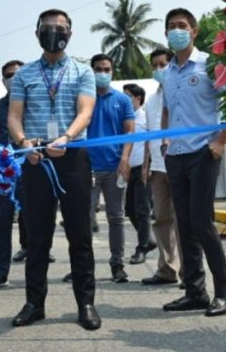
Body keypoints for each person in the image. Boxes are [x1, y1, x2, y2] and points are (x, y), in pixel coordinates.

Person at [8, 8, 100, 331]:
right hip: (36, 160)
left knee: (79, 235)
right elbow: (14, 117)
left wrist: (67, 136)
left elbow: (85, 112)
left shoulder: (82, 72)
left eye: (60, 28)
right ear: (37, 33)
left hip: (72, 157)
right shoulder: (24, 75)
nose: (54, 32)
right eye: (48, 28)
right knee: (36, 237)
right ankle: (35, 303)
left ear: (70, 34)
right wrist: (23, 143)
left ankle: (85, 303)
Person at [160, 8, 226, 316]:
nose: (176, 31)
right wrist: (164, 139)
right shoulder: (166, 73)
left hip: (204, 153)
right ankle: (194, 291)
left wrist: (220, 142)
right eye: (171, 27)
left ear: (194, 30)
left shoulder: (210, 64)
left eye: (182, 26)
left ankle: (224, 292)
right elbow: (166, 110)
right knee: (185, 225)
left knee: (203, 223)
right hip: (175, 156)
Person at [0, 59, 55, 289]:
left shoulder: (38, 103)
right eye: (8, 74)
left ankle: (34, 275)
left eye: (17, 73)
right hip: (5, 173)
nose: (13, 77)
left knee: (35, 223)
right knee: (3, 222)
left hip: (33, 168)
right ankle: (0, 272)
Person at [85, 53, 135, 284]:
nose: (102, 73)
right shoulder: (84, 99)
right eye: (98, 69)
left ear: (112, 71)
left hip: (115, 167)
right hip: (89, 168)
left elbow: (129, 131)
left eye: (106, 69)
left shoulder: (123, 100)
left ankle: (118, 265)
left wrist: (124, 159)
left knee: (116, 218)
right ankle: (83, 265)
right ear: (91, 70)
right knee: (84, 218)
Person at [141, 47, 183, 286]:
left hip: (178, 163)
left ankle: (190, 274)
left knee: (183, 220)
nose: (158, 69)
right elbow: (148, 135)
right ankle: (167, 269)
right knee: (161, 220)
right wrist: (146, 165)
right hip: (158, 168)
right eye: (155, 65)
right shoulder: (151, 99)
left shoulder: (179, 90)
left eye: (162, 64)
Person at [123, 83, 157, 265]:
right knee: (130, 210)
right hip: (129, 169)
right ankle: (149, 241)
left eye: (128, 96)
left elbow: (150, 143)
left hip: (144, 167)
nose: (125, 99)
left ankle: (142, 247)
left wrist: (147, 165)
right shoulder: (125, 118)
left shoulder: (145, 117)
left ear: (138, 98)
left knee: (143, 209)